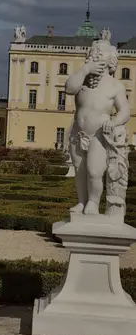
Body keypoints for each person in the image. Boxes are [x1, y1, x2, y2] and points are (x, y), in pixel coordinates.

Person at [66, 36, 130, 215]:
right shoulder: (82, 80)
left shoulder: (114, 86)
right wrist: (86, 69)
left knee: (94, 171)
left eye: (101, 53)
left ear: (111, 60)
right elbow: (69, 88)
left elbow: (124, 110)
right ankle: (81, 202)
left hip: (99, 134)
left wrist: (114, 122)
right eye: (93, 52)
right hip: (78, 133)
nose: (96, 54)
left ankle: (93, 203)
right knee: (80, 171)